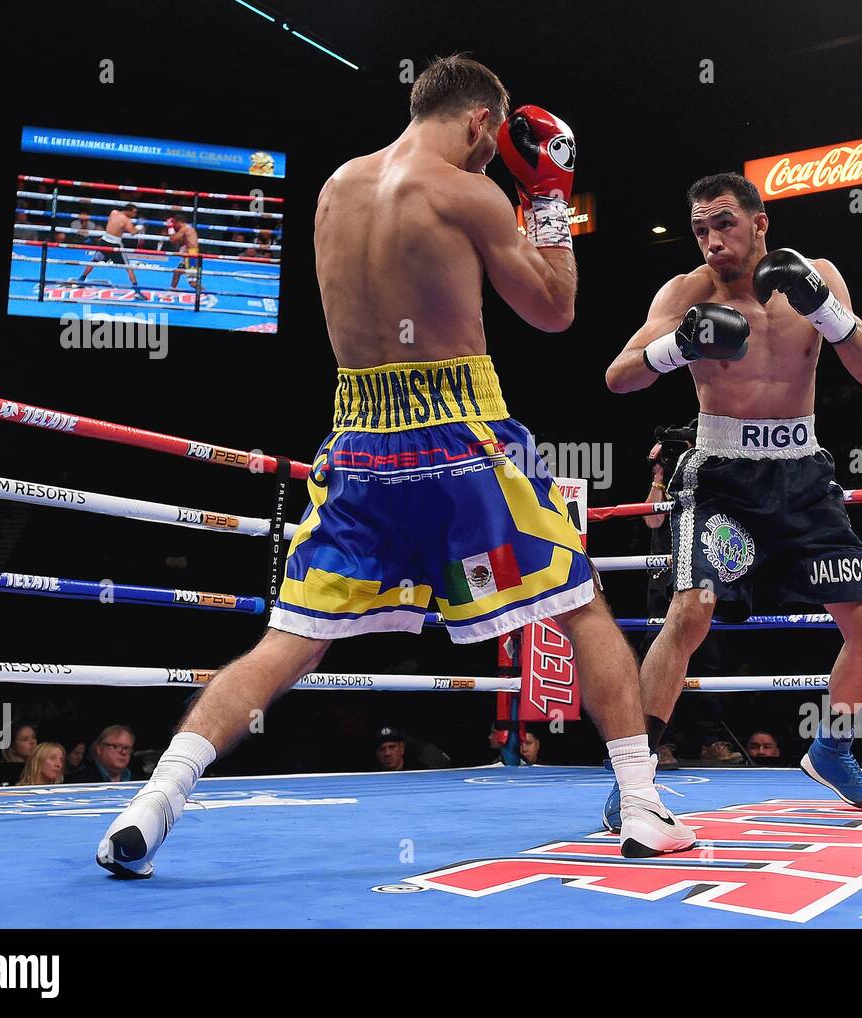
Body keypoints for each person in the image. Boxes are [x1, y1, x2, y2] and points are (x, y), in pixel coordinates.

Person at [98, 54, 693, 878]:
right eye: (496, 143)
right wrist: (549, 200)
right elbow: (555, 311)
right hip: (461, 438)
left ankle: (151, 802)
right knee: (581, 605)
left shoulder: (335, 189)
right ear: (483, 123)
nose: (497, 160)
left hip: (357, 445)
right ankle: (641, 807)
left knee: (289, 640)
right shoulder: (468, 192)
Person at [603, 171, 862, 823]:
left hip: (803, 474)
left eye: (724, 223)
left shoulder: (816, 275)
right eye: (700, 228)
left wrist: (826, 309)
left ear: (761, 223)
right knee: (689, 616)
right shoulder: (686, 293)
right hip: (723, 475)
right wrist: (679, 347)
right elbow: (618, 377)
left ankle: (832, 747)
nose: (711, 240)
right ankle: (634, 775)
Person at [640, 424, 742, 768]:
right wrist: (659, 473)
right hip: (666, 574)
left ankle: (710, 738)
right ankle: (658, 742)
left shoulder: (710, 474)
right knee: (660, 647)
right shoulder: (665, 478)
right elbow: (651, 520)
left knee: (707, 653)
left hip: (703, 572)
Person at [75, 204, 145, 294]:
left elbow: (114, 224)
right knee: (128, 267)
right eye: (134, 212)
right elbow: (132, 232)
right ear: (129, 211)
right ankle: (136, 290)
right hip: (115, 246)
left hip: (104, 242)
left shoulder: (113, 212)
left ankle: (81, 279)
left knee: (94, 261)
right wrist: (139, 227)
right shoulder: (126, 221)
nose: (135, 214)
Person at [164, 213, 202, 293]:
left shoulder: (185, 228)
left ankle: (205, 293)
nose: (174, 225)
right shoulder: (187, 229)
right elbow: (179, 242)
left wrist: (170, 227)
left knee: (193, 283)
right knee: (176, 272)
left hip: (191, 256)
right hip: (188, 254)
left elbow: (173, 239)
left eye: (174, 223)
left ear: (178, 222)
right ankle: (172, 291)